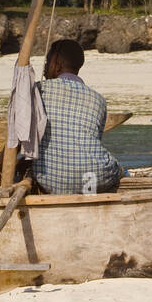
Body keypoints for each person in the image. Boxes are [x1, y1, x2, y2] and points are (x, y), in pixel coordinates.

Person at [32, 39, 122, 195]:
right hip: (96, 178)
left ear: (57, 64)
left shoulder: (39, 90)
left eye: (47, 62)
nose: (45, 68)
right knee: (117, 168)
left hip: (52, 180)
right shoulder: (98, 99)